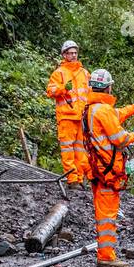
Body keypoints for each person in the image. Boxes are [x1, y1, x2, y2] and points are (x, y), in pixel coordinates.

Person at [80, 69, 134, 267]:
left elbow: (117, 115)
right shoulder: (103, 110)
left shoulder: (90, 109)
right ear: (109, 87)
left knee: (104, 214)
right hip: (108, 172)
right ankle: (106, 256)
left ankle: (106, 254)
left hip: (97, 170)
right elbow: (120, 138)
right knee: (107, 216)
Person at [46, 40, 90, 189]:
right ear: (64, 55)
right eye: (70, 53)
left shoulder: (84, 73)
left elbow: (91, 93)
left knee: (81, 150)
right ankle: (72, 180)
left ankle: (80, 178)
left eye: (75, 52)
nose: (73, 55)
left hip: (81, 117)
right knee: (68, 150)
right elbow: (50, 91)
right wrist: (63, 88)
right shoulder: (59, 73)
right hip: (66, 117)